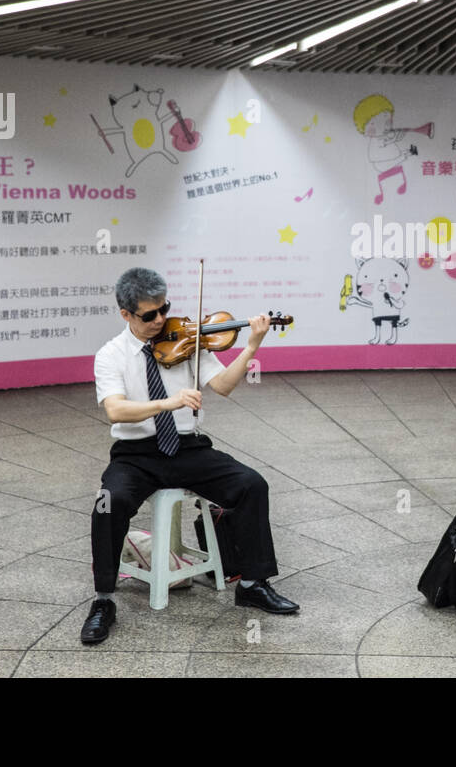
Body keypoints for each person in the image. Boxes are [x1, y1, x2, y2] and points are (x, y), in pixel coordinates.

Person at [82, 266, 297, 645]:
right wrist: (169, 401)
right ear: (126, 315)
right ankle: (103, 600)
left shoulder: (188, 341)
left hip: (187, 447)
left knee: (251, 485)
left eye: (164, 309)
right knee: (108, 502)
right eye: (150, 315)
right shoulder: (110, 355)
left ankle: (251, 583)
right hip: (136, 453)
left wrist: (251, 346)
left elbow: (224, 387)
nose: (162, 320)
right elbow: (116, 410)